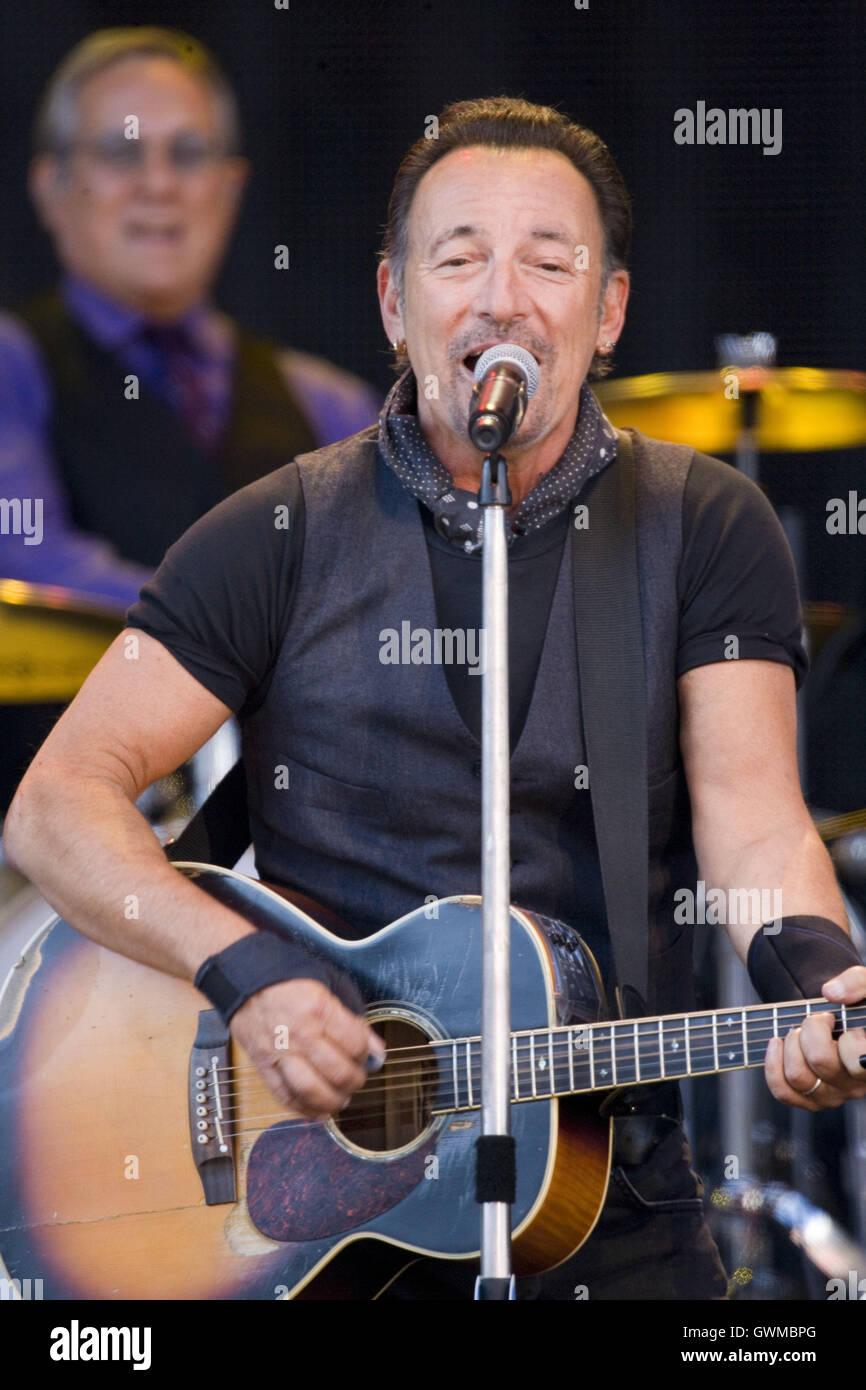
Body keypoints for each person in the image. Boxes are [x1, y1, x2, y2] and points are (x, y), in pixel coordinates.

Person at [5, 96, 866, 1301]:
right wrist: (240, 970)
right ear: (393, 306)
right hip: (316, 1228)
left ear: (606, 309)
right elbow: (53, 807)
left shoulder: (699, 524)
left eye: (548, 262)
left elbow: (758, 824)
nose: (501, 297)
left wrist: (818, 982)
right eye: (457, 258)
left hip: (604, 1196)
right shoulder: (275, 530)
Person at [0, 26, 379, 814]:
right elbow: (34, 568)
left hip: (290, 862)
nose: (159, 185)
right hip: (53, 853)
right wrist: (256, 629)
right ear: (50, 185)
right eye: (121, 153)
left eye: (189, 154)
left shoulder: (329, 402)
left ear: (231, 186)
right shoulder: (14, 362)